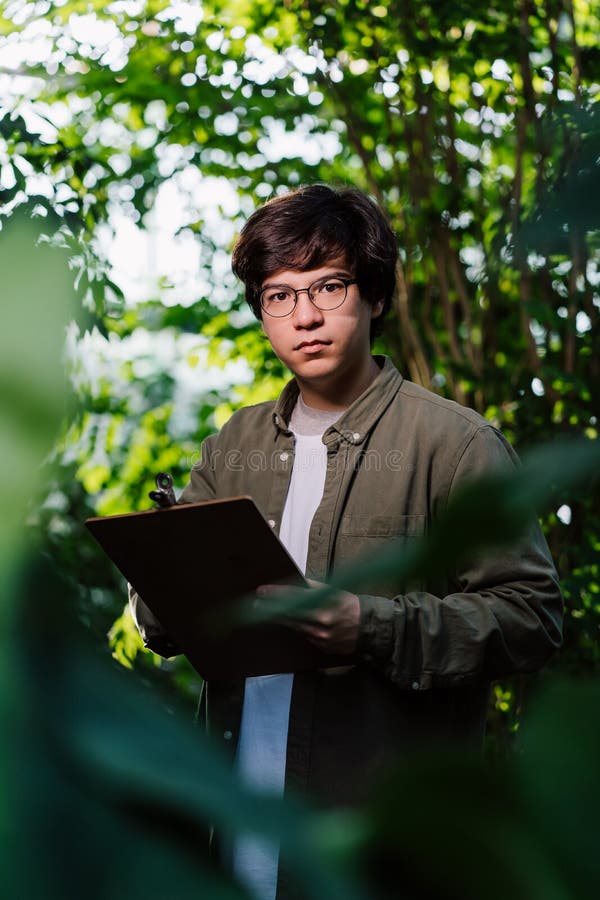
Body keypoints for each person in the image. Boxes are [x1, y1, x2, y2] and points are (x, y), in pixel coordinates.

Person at [130, 184, 563, 900]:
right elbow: (161, 619)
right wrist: (159, 579)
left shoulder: (456, 444)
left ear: (375, 296)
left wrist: (371, 627)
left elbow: (532, 617)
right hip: (237, 839)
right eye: (279, 296)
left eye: (328, 286)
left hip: (378, 854)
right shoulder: (233, 443)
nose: (304, 317)